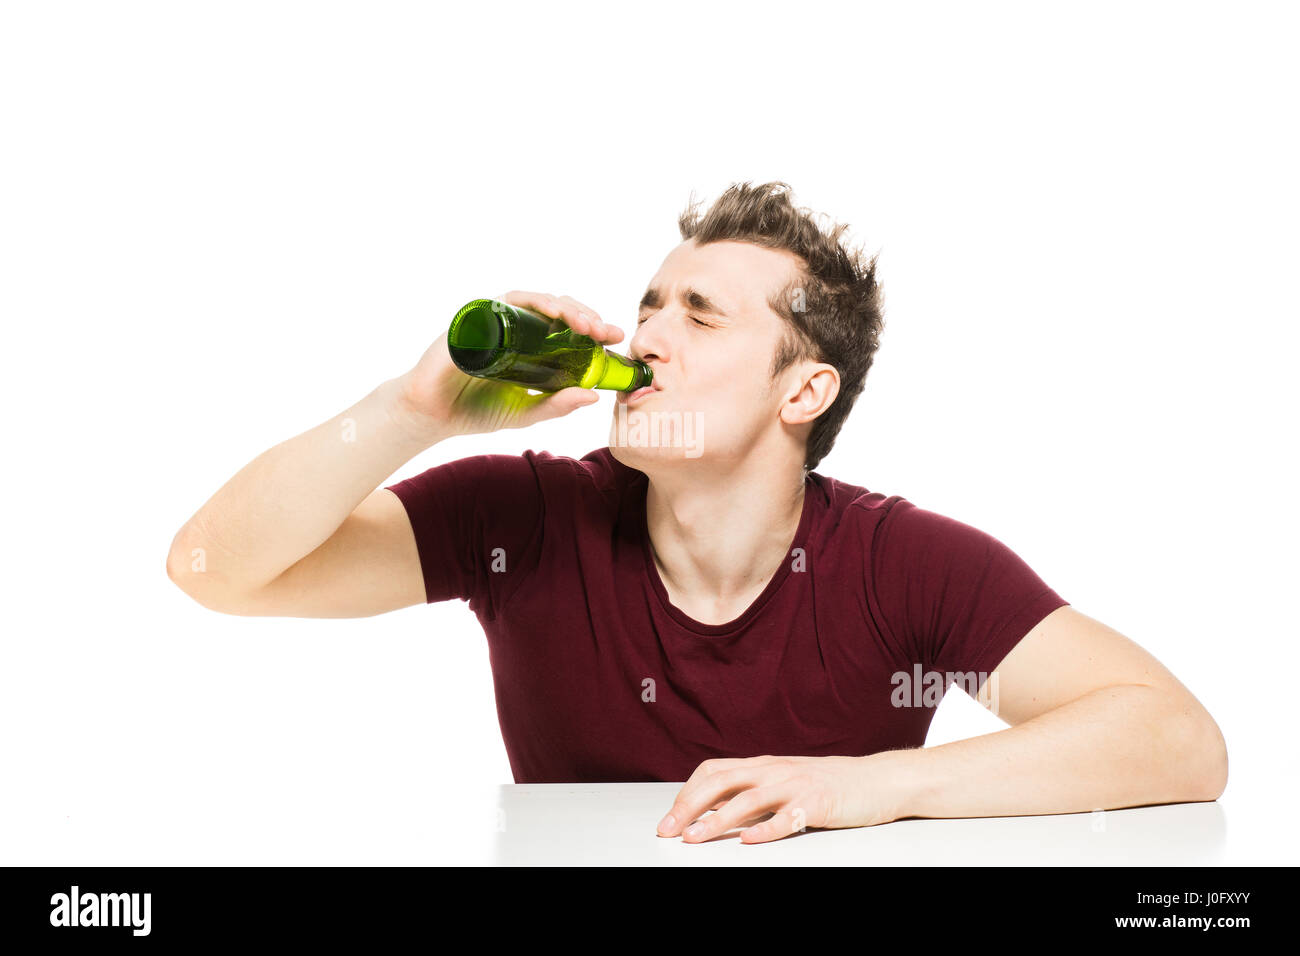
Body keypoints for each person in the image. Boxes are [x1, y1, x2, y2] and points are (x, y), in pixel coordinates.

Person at [166, 181, 1228, 845]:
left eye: (699, 314)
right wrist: (411, 410)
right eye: (649, 305)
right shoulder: (529, 517)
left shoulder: (898, 562)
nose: (645, 339)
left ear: (800, 391)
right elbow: (216, 567)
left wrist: (866, 788)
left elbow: (1175, 738)